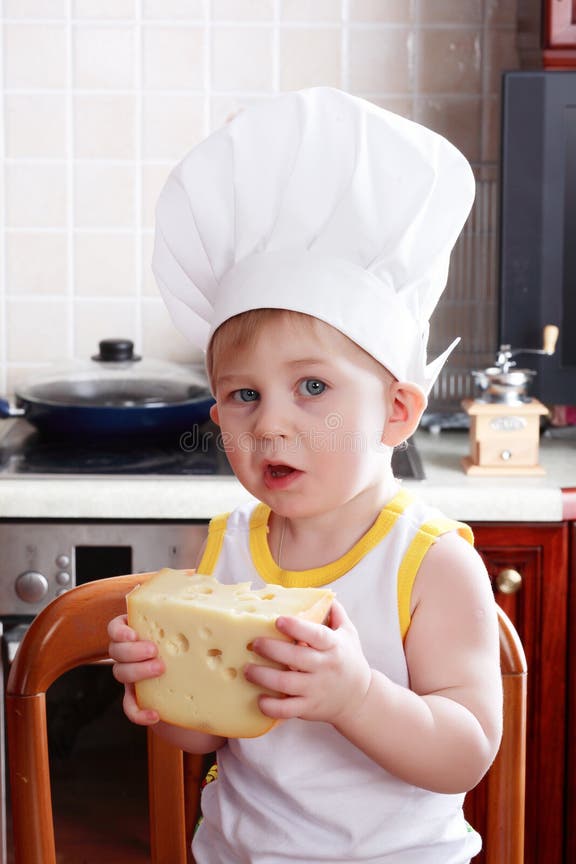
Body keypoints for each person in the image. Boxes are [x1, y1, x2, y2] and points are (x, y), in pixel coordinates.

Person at [108, 88, 503, 863]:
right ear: (218, 416)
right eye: (244, 395)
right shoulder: (226, 544)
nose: (272, 423)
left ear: (396, 411)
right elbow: (206, 730)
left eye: (312, 387)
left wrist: (354, 696)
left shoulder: (432, 562)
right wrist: (155, 687)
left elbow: (466, 752)